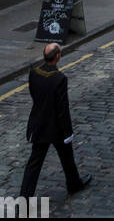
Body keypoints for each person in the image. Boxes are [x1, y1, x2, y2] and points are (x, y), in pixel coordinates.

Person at [19, 42, 92, 198]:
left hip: (39, 125)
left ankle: (24, 199)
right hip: (56, 128)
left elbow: (35, 96)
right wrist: (67, 132)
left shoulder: (34, 72)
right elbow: (62, 109)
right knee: (67, 157)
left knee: (34, 164)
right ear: (57, 57)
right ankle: (73, 185)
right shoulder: (59, 78)